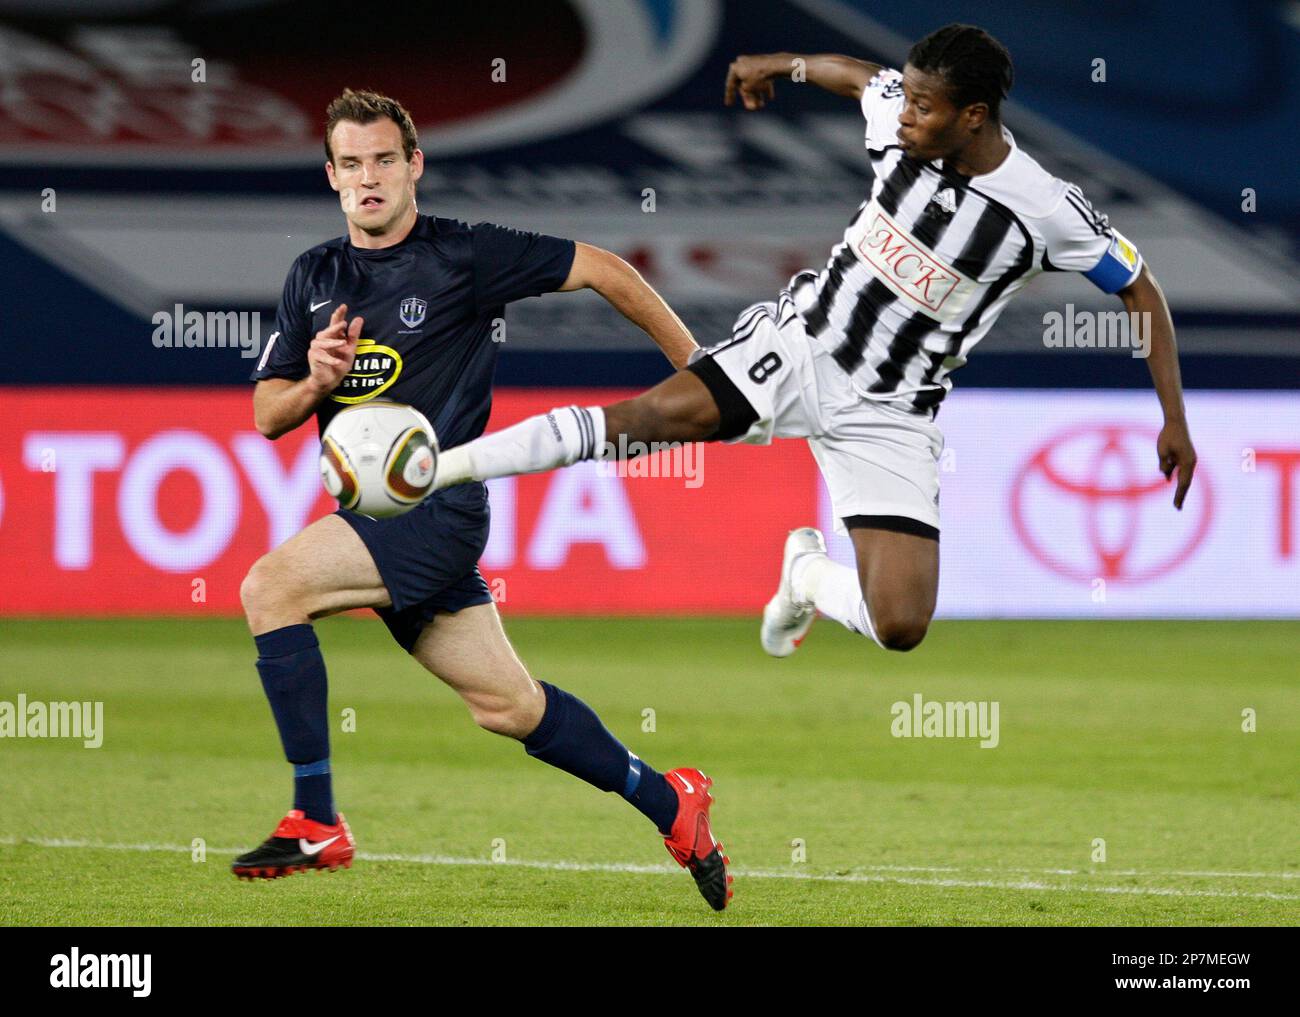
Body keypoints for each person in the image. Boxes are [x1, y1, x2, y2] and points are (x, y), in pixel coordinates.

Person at [432, 24, 1197, 658]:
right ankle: (436, 468)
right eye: (910, 98)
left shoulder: (1046, 209)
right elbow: (862, 78)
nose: (905, 117)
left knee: (900, 624)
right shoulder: (906, 123)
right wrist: (786, 65)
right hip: (802, 346)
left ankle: (804, 576)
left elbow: (1140, 288)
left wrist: (1174, 418)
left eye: (925, 108)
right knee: (647, 422)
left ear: (973, 115)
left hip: (892, 412)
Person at [233, 89, 732, 912]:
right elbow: (267, 415)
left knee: (269, 588)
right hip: (372, 519)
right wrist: (317, 379)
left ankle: (315, 817)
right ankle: (672, 802)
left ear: (414, 164)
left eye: (384, 159)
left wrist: (703, 373)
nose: (369, 178)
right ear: (331, 176)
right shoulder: (314, 276)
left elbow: (608, 268)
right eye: (351, 164)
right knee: (509, 706)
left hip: (439, 509)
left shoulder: (464, 256)